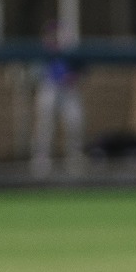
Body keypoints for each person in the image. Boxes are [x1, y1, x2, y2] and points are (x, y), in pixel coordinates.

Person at [31, 21, 86, 178]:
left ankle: (75, 159)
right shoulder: (43, 51)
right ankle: (41, 160)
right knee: (45, 124)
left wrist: (74, 77)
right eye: (52, 34)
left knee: (75, 122)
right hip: (49, 87)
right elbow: (34, 72)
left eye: (58, 34)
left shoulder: (71, 51)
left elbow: (83, 70)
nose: (55, 37)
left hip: (69, 90)